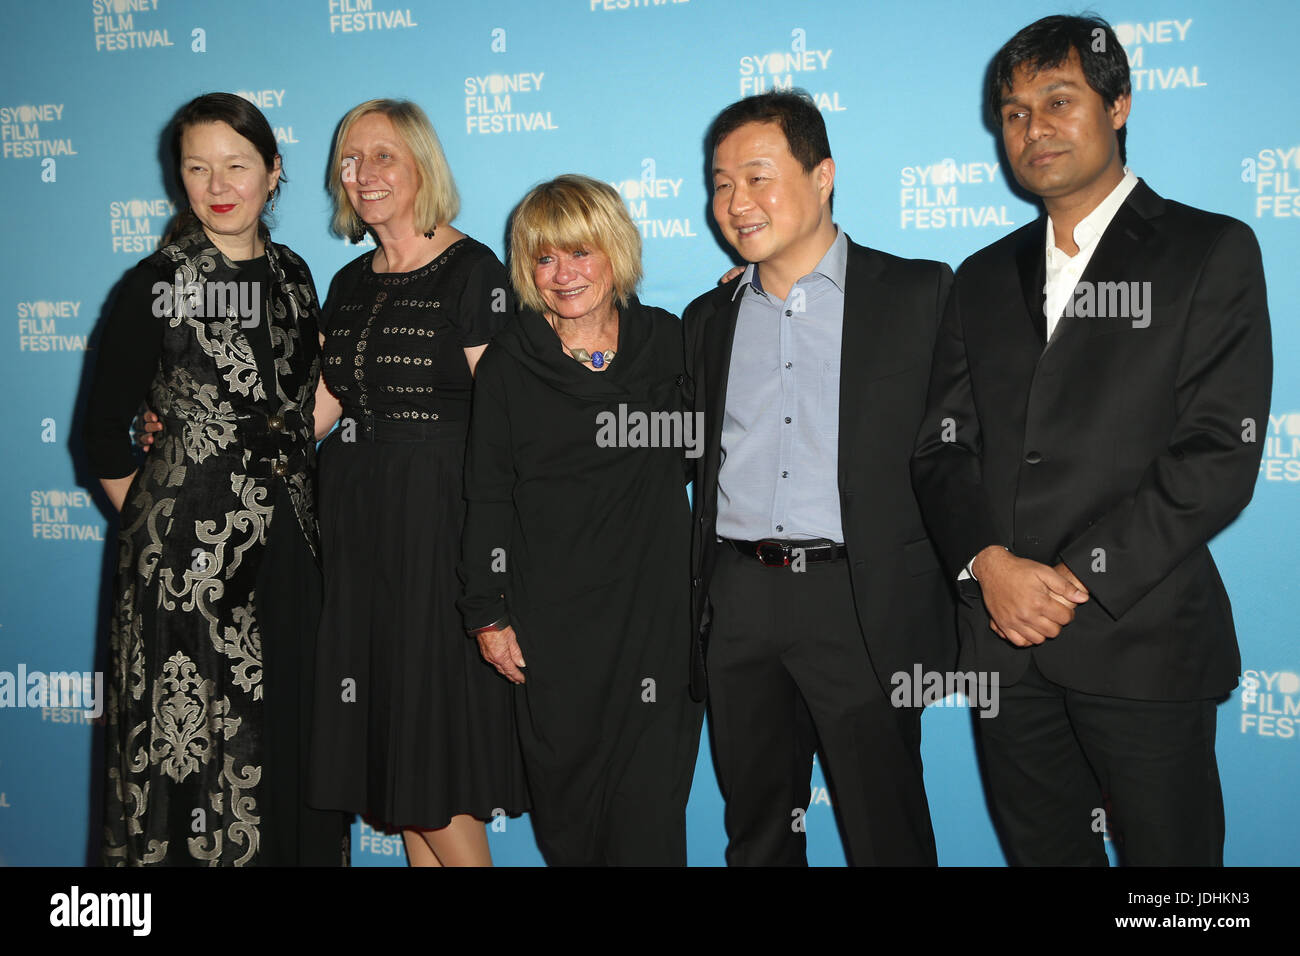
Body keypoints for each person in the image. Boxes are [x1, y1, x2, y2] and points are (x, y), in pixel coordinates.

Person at [911, 14, 1272, 865]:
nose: (1033, 128)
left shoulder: (1208, 249)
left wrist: (1077, 578)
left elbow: (1221, 451)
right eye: (1013, 112)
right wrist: (989, 567)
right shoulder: (981, 276)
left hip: (1140, 640)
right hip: (1004, 647)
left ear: (1119, 105)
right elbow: (941, 447)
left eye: (1058, 100)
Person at [683, 90, 955, 866]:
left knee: (886, 829)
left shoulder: (918, 295)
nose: (736, 202)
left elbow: (960, 456)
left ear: (824, 174)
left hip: (861, 600)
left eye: (759, 177)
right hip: (739, 597)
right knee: (759, 830)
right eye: (722, 182)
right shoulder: (709, 318)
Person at [86, 92, 344, 865]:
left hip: (292, 551)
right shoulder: (155, 284)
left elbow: (305, 412)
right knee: (191, 760)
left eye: (236, 165)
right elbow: (99, 435)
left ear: (273, 172)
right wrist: (161, 523)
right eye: (198, 168)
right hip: (184, 578)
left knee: (290, 742)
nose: (217, 183)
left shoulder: (298, 276)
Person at [305, 99, 528, 867]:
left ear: (422, 166)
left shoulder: (475, 274)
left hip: (438, 532)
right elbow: (318, 412)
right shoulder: (345, 282)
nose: (363, 175)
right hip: (357, 532)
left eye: (382, 156)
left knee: (430, 769)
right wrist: (200, 431)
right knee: (396, 767)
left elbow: (505, 430)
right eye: (349, 160)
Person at [460, 174, 704, 866]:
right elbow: (486, 493)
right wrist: (487, 613)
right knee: (572, 824)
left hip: (657, 621)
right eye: (544, 258)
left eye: (580, 253)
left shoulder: (670, 340)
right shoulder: (511, 363)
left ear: (615, 251)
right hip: (552, 627)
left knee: (652, 822)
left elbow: (703, 451)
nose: (563, 275)